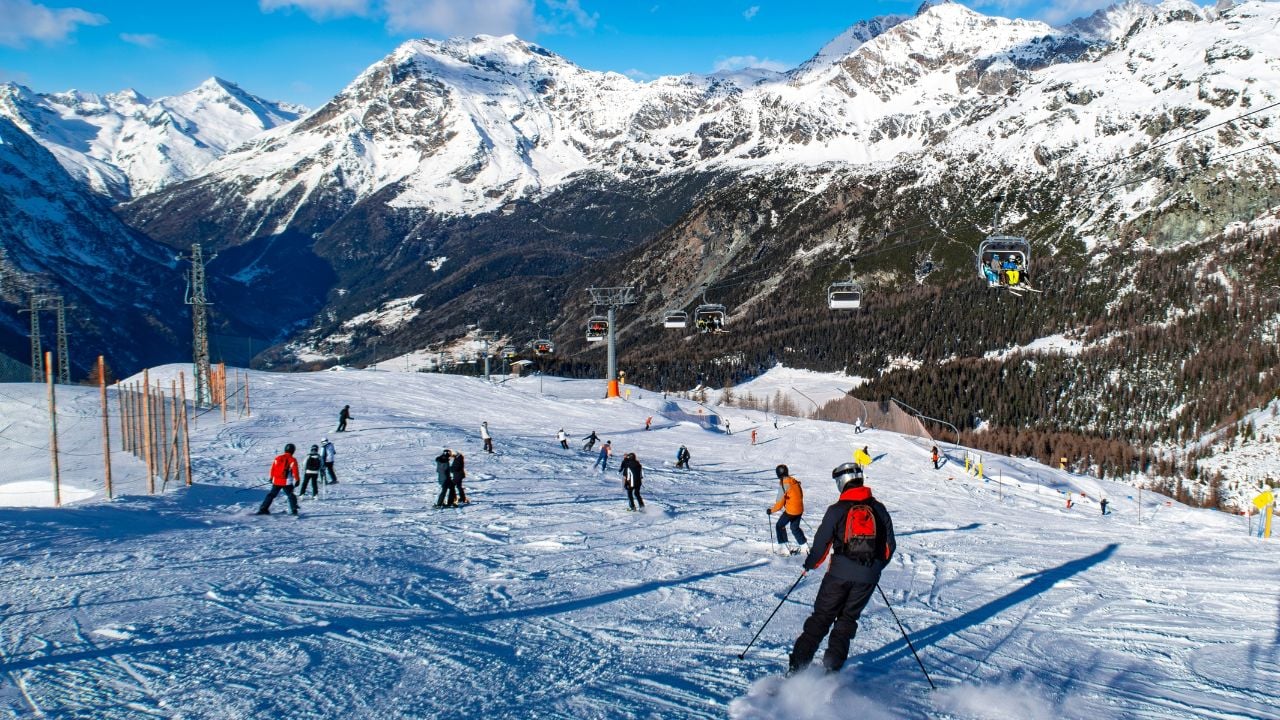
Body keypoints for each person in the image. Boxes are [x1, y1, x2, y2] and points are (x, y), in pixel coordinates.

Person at [789, 462, 895, 675]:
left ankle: (797, 670)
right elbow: (889, 547)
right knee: (847, 621)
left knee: (821, 618)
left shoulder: (836, 510)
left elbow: (821, 545)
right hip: (868, 578)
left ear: (842, 483)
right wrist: (873, 568)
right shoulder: (879, 509)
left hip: (838, 575)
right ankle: (832, 669)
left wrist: (809, 565)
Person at [768, 464, 807, 555]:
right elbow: (800, 495)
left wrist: (771, 511)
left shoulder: (785, 484)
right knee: (794, 527)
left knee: (779, 525)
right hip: (799, 509)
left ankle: (784, 549)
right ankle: (805, 547)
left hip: (791, 511)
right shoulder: (793, 481)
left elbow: (779, 503)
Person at [257, 443, 301, 516]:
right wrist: (297, 479)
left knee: (271, 495)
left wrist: (271, 478)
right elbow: (295, 470)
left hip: (276, 480)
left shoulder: (278, 458)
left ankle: (263, 509)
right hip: (286, 482)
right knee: (290, 495)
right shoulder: (292, 459)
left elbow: (273, 469)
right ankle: (294, 510)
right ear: (293, 451)